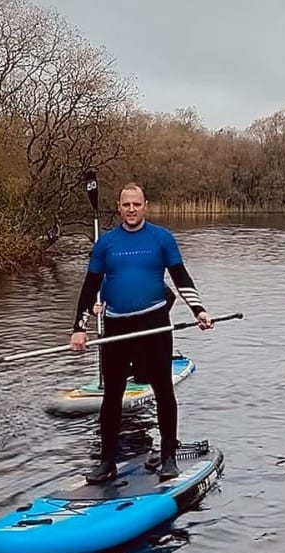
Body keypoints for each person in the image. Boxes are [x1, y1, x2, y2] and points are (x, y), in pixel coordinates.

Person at [69, 182, 213, 484]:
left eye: (136, 204)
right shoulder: (106, 244)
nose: (131, 210)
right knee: (112, 395)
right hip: (117, 326)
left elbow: (181, 277)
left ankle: (168, 457)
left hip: (154, 323)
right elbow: (90, 286)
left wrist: (198, 311)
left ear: (145, 205)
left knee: (163, 390)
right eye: (126, 205)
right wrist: (79, 328)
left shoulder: (161, 238)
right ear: (118, 207)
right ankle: (107, 462)